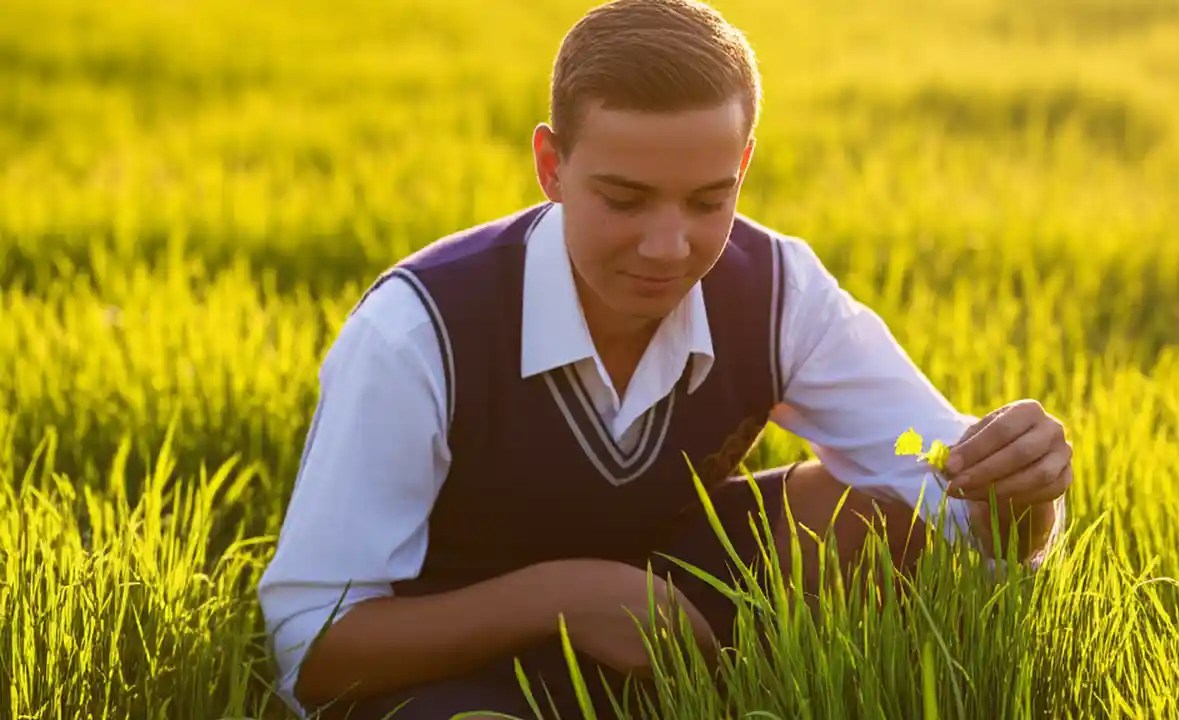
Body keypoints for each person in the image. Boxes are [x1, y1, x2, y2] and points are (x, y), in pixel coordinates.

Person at [257, 0, 1073, 717]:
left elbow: (951, 504)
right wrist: (561, 598)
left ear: (744, 165)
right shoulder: (416, 331)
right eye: (624, 199)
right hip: (448, 654)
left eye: (708, 200)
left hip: (667, 613)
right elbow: (317, 650)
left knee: (868, 512)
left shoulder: (779, 286)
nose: (667, 247)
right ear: (551, 166)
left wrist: (1021, 484)